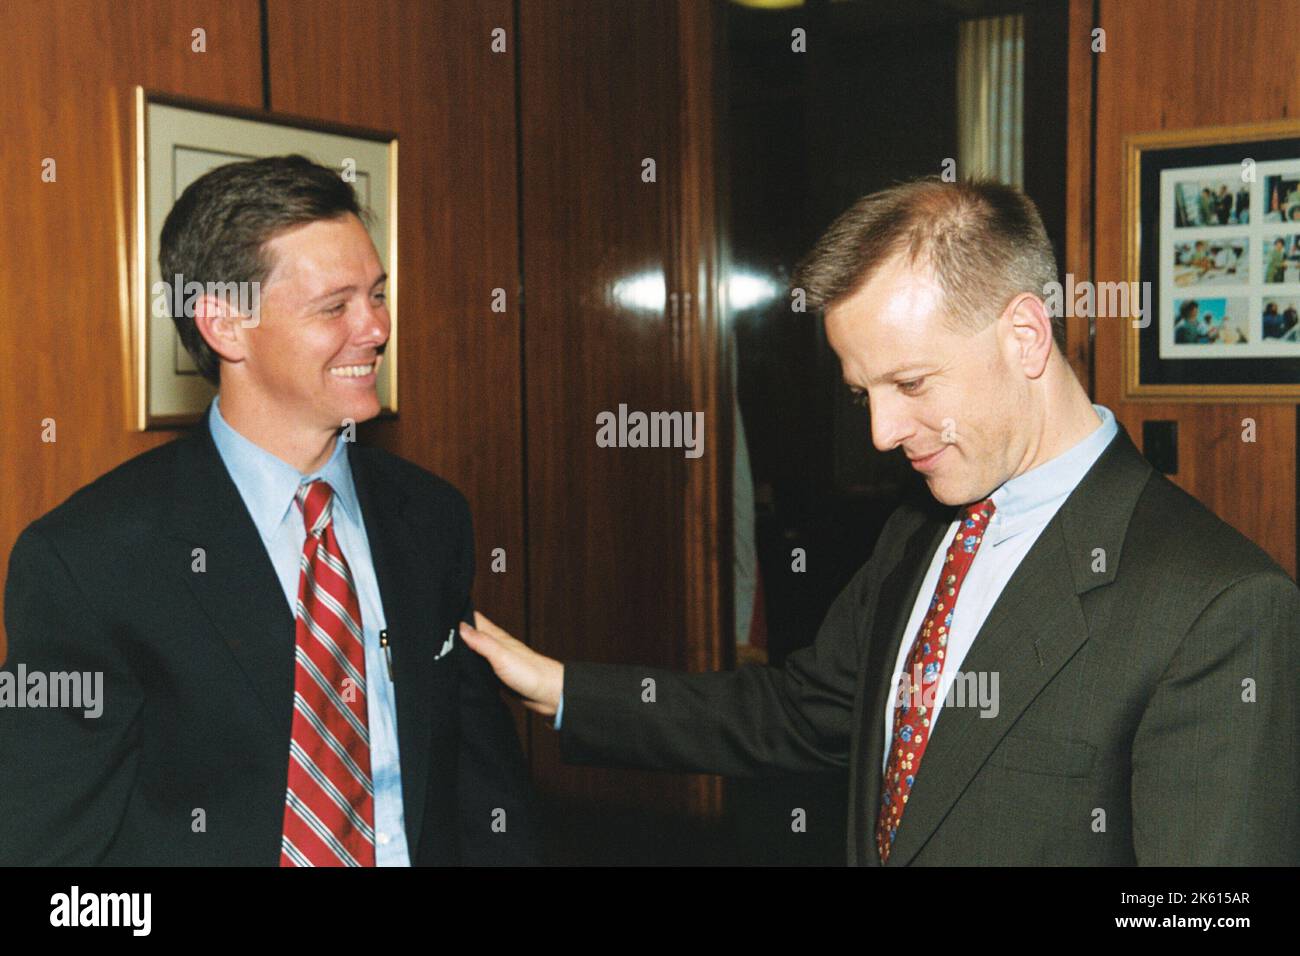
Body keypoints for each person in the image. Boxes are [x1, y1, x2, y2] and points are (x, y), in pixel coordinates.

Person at [460, 177, 1299, 866]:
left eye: (911, 384)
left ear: (1025, 335)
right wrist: (567, 690)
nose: (881, 433)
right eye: (865, 395)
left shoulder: (1220, 609)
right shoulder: (923, 532)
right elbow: (797, 714)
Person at [0, 155, 538, 866]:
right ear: (225, 326)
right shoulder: (89, 560)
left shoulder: (431, 517)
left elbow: (482, 790)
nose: (375, 328)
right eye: (334, 306)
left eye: (378, 295)